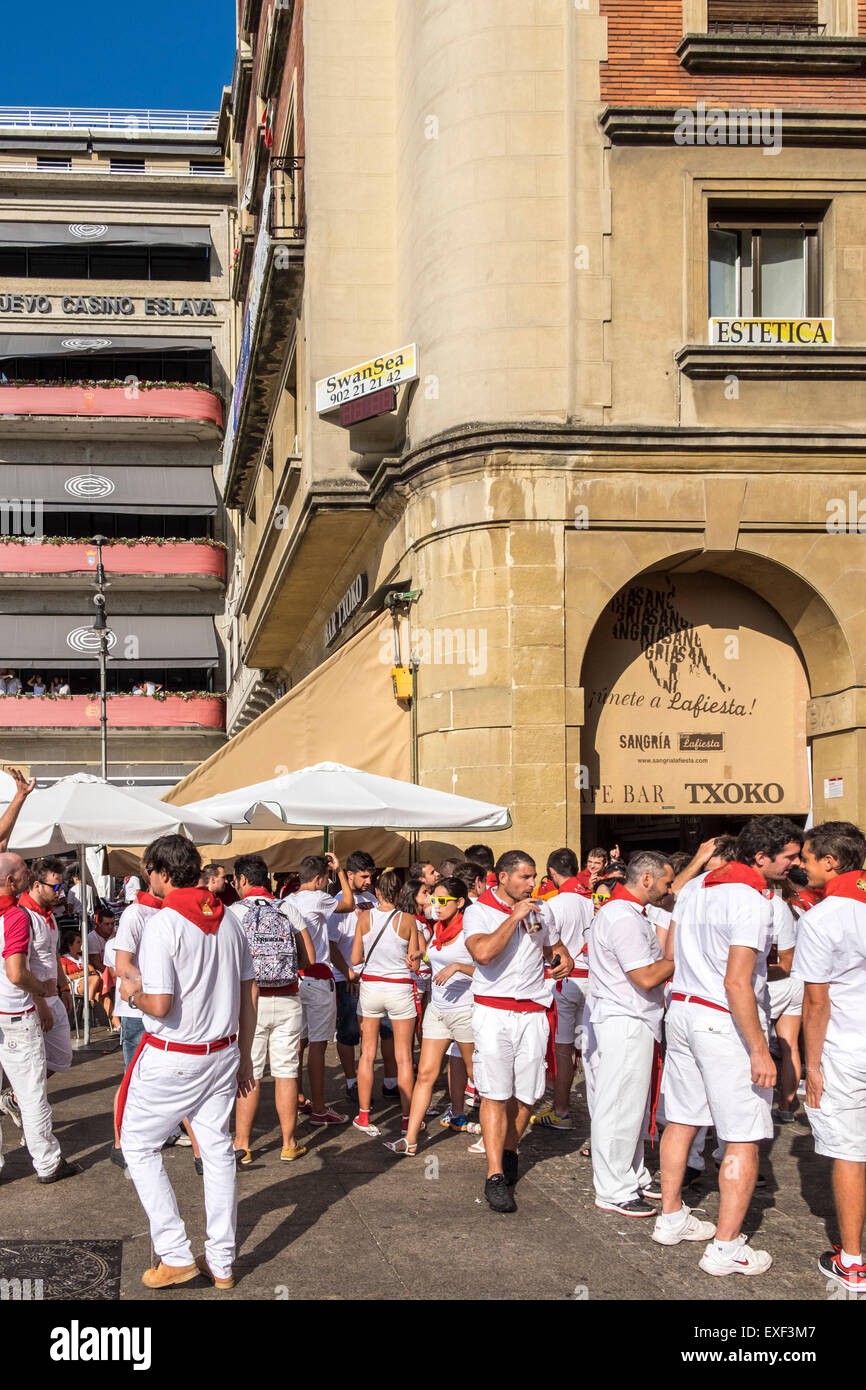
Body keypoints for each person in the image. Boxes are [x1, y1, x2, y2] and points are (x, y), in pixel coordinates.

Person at [657, 815, 802, 1275]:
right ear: (760, 857)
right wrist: (761, 1049)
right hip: (722, 1020)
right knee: (743, 1134)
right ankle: (725, 1247)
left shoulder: (697, 888)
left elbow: (675, 948)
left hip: (682, 1008)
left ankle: (670, 1215)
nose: (795, 865)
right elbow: (738, 983)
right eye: (790, 857)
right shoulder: (753, 901)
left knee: (681, 1119)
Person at [117, 834, 256, 1290]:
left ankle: (176, 1253)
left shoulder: (164, 923)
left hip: (176, 1055)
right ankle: (221, 1261)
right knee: (217, 1150)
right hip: (223, 1050)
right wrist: (245, 1056)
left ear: (160, 873)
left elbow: (159, 1004)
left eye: (148, 873)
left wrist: (130, 990)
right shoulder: (231, 920)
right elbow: (247, 993)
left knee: (137, 1145)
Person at [464, 850, 574, 1214]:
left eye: (534, 877)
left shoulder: (541, 911)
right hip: (493, 1012)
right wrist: (514, 917)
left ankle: (509, 1149)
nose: (532, 883)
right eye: (525, 878)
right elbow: (482, 954)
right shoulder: (478, 910)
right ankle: (495, 1174)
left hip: (533, 1011)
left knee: (528, 1094)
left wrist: (562, 961)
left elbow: (557, 949)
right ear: (502, 878)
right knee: (495, 1093)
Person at [793, 820, 866, 1291]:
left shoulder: (823, 917)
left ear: (831, 862)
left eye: (807, 857)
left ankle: (854, 1260)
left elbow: (816, 1001)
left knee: (849, 1152)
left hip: (845, 1049)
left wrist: (811, 1065)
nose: (800, 863)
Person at [588, 852, 678, 1218]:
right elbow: (644, 976)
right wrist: (676, 958)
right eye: (666, 882)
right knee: (620, 1104)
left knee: (633, 1105)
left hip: (633, 1017)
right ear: (645, 879)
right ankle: (613, 1187)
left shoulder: (627, 913)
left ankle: (631, 1173)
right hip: (624, 1019)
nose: (668, 889)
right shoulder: (622, 917)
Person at [227, 855, 313, 1164]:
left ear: (243, 880)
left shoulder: (233, 913)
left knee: (249, 1071)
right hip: (288, 999)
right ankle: (289, 1143)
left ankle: (243, 1144)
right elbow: (310, 957)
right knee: (286, 1071)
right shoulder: (287, 908)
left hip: (250, 1003)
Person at [0, 851, 79, 1184]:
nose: (26, 874)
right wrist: (44, 991)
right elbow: (17, 973)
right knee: (32, 1095)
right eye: (22, 870)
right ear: (11, 881)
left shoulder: (18, 913)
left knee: (38, 1082)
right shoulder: (17, 915)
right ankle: (47, 1163)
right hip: (16, 1014)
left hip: (8, 1012)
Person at [385, 877, 478, 1155]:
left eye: (442, 901)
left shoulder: (470, 932)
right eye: (433, 900)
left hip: (465, 1012)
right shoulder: (438, 928)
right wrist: (420, 956)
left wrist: (460, 967)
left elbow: (488, 971)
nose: (435, 906)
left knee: (477, 1076)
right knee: (425, 1074)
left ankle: (494, 1135)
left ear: (460, 903)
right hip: (437, 1011)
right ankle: (410, 1139)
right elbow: (436, 958)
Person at [351, 869, 421, 1138]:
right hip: (399, 988)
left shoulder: (365, 917)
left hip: (371, 986)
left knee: (367, 1054)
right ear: (401, 893)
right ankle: (407, 1120)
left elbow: (356, 957)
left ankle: (364, 1115)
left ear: (377, 892)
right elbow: (413, 962)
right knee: (404, 1057)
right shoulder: (408, 920)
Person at [531, 847, 595, 1132]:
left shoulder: (552, 905)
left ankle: (561, 1110)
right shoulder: (592, 900)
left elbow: (538, 944)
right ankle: (597, 1114)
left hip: (562, 980)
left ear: (552, 873)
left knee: (562, 1048)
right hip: (591, 980)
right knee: (591, 1049)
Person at [107, 862, 165, 1171]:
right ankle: (119, 1143)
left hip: (157, 1008)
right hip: (135, 1009)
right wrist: (159, 983)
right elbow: (122, 966)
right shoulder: (135, 913)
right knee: (133, 1077)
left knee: (161, 1077)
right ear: (154, 876)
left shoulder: (166, 910)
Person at [293, 852, 354, 1125]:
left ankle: (296, 1097)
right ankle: (319, 1108)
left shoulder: (288, 900)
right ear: (319, 879)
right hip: (318, 977)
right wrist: (341, 872)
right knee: (318, 1045)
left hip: (295, 979)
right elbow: (349, 904)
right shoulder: (318, 897)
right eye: (326, 879)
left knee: (298, 1043)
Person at [327, 851, 377, 1100]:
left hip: (371, 978)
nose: (369, 881)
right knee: (348, 1032)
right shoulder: (337, 902)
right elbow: (331, 943)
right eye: (364, 876)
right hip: (345, 978)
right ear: (349, 875)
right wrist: (347, 972)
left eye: (371, 876)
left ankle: (368, 1076)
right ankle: (351, 1081)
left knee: (370, 1032)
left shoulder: (372, 899)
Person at [18, 857, 72, 1077]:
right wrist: (39, 1002)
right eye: (55, 886)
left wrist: (65, 987)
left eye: (62, 886)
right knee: (32, 1062)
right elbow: (22, 965)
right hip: (30, 1002)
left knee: (61, 1057)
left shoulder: (47, 915)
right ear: (37, 885)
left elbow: (53, 954)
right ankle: (23, 1101)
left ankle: (13, 1099)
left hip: (52, 997)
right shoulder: (23, 916)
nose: (60, 891)